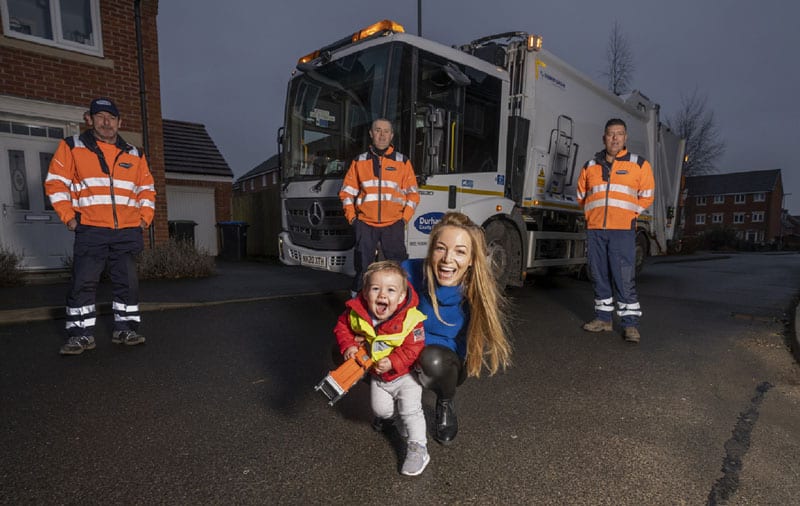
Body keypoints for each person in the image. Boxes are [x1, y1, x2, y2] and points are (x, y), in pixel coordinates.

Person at [44, 97, 156, 356]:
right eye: (100, 117)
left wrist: (144, 219)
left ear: (119, 122)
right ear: (89, 119)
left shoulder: (135, 153)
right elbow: (56, 183)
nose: (106, 122)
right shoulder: (72, 147)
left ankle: (125, 329)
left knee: (127, 283)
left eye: (111, 118)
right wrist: (69, 217)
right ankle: (80, 335)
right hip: (91, 229)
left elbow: (147, 190)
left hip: (127, 230)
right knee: (83, 282)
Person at [402, 212, 512, 445]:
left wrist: (417, 350)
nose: (447, 259)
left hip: (443, 362)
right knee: (343, 350)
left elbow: (464, 346)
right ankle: (388, 401)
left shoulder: (476, 291)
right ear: (431, 250)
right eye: (441, 248)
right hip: (405, 351)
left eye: (460, 251)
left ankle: (445, 400)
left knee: (431, 359)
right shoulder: (408, 272)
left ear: (472, 259)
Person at [333, 260, 430, 476]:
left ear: (402, 297)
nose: (382, 295)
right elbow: (342, 327)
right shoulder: (356, 313)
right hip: (379, 378)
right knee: (381, 411)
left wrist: (394, 361)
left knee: (411, 411)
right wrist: (348, 345)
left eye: (391, 290)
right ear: (366, 293)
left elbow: (414, 348)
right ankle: (398, 420)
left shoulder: (411, 319)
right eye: (375, 289)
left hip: (406, 377)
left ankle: (418, 448)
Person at [576, 118, 655, 344]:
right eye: (611, 134)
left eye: (619, 134)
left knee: (624, 276)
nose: (615, 138)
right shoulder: (590, 166)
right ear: (604, 137)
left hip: (622, 230)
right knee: (599, 274)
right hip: (596, 230)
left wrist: (631, 213)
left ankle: (630, 325)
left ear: (625, 137)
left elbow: (648, 194)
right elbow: (582, 196)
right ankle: (603, 319)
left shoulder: (639, 164)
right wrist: (593, 215)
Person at [339, 118, 419, 296]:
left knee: (397, 269)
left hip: (393, 225)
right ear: (371, 133)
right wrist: (353, 219)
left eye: (386, 131)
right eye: (378, 130)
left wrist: (403, 219)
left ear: (392, 135)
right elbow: (346, 193)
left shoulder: (402, 162)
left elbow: (413, 194)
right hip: (365, 225)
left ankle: (399, 307)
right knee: (363, 270)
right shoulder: (359, 162)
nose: (382, 135)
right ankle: (357, 309)